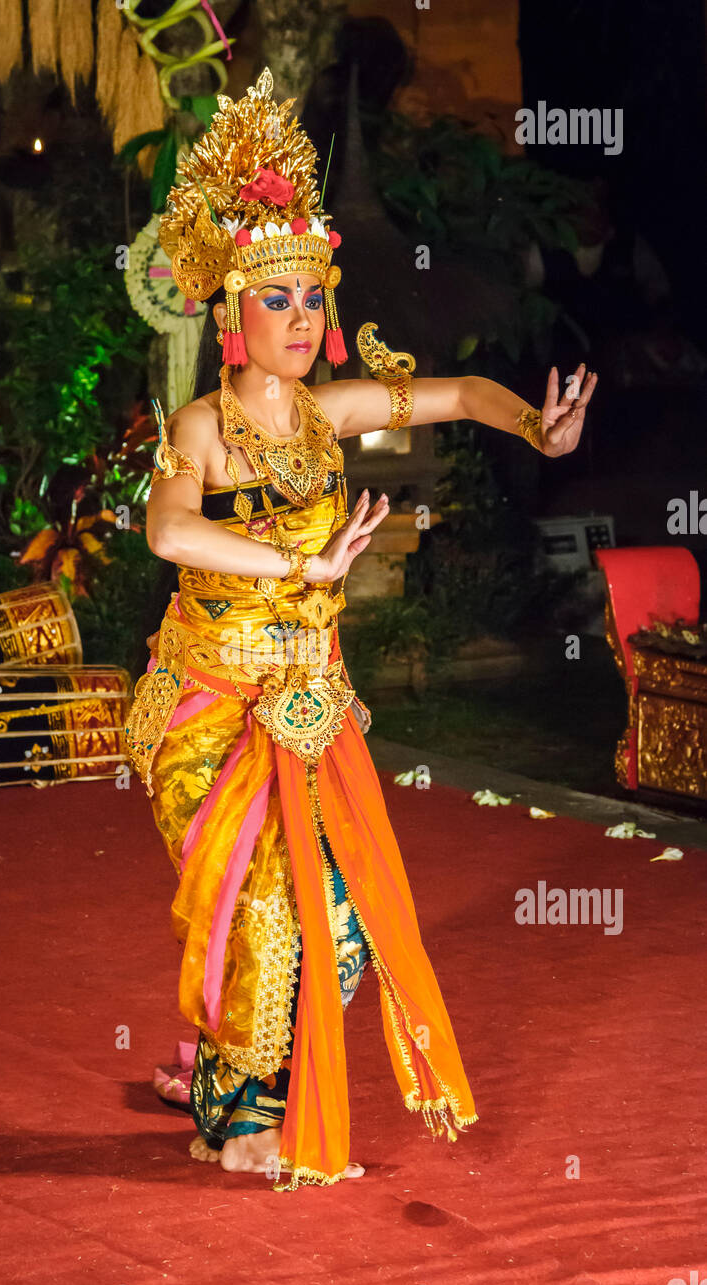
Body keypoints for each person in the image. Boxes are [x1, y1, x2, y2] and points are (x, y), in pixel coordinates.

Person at [125, 69, 597, 1191]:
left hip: (307, 703)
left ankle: (223, 1066)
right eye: (273, 299)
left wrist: (538, 428)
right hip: (202, 712)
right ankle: (237, 1116)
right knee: (262, 903)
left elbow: (461, 393)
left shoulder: (334, 414)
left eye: (307, 299)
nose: (296, 321)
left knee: (337, 914)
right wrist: (298, 558)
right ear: (230, 309)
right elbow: (168, 535)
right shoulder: (200, 428)